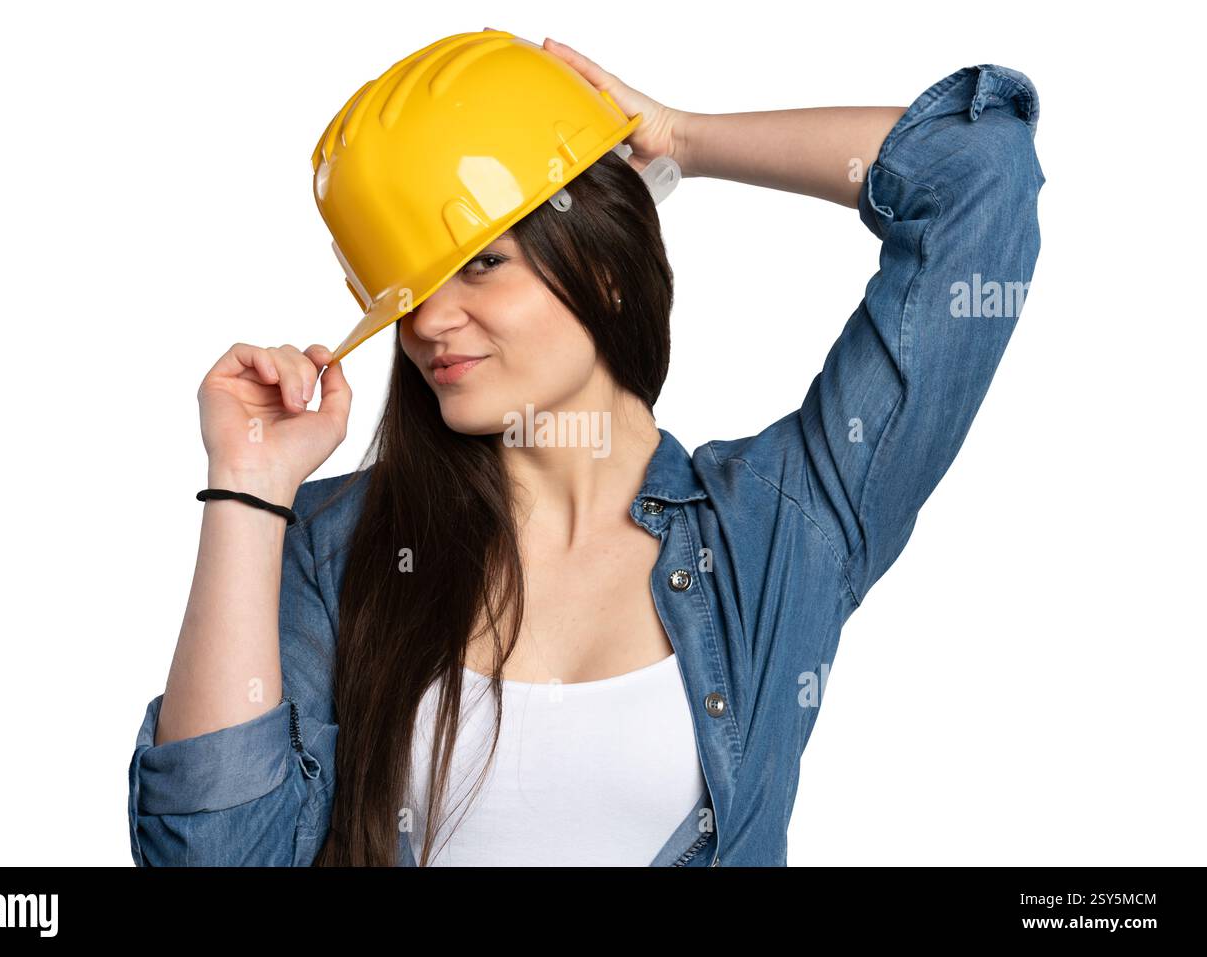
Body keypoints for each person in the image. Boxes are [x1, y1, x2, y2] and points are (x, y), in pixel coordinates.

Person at [127, 32, 1045, 866]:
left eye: (482, 262)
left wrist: (681, 138)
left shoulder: (782, 526)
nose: (432, 323)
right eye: (410, 293)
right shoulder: (338, 545)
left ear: (604, 260)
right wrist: (248, 490)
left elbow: (977, 170)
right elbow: (211, 862)